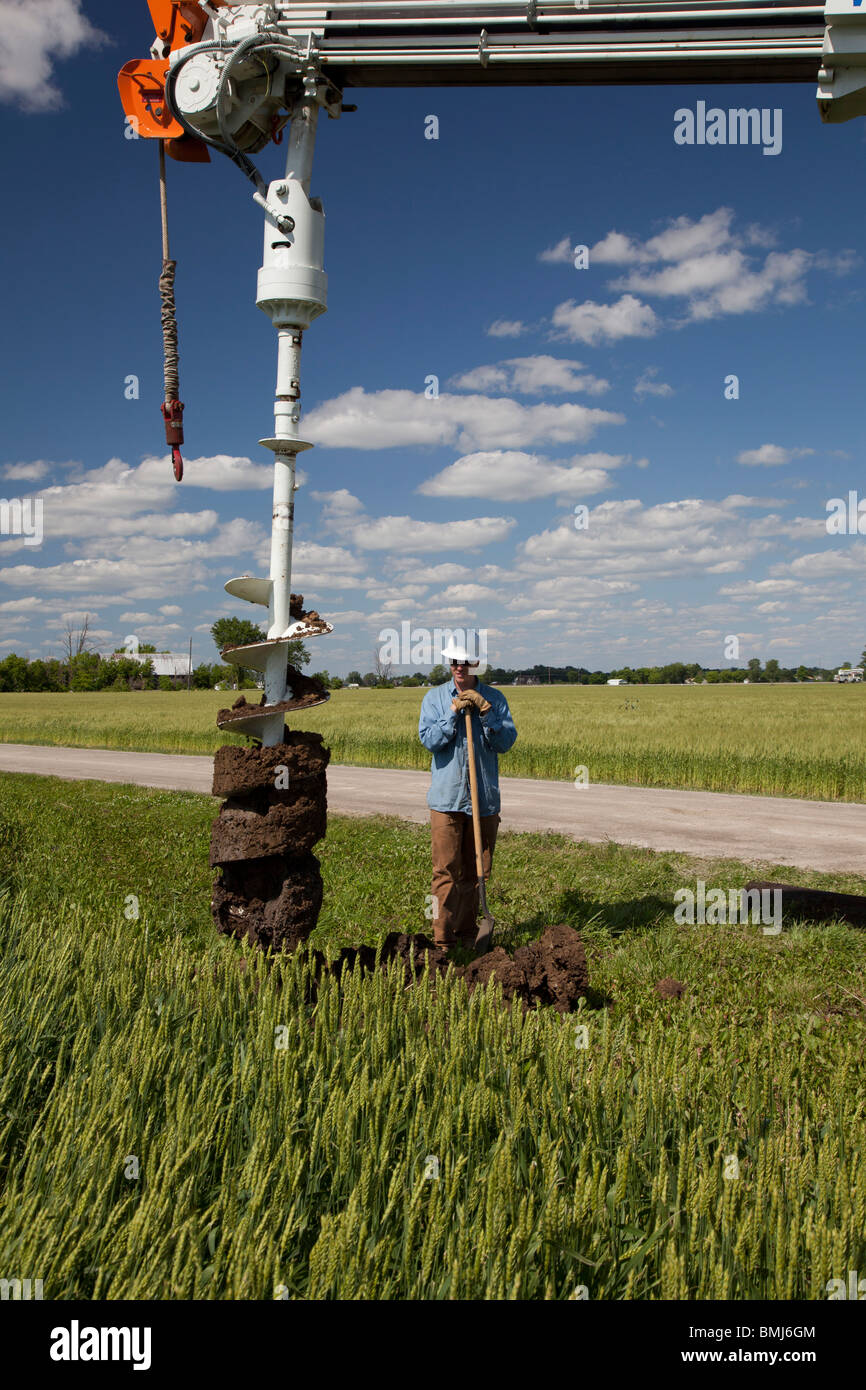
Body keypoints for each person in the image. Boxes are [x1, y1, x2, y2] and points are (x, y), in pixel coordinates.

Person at [418, 635, 517, 952]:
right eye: (454, 661)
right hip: (446, 800)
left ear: (476, 663)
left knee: (476, 873)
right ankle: (442, 939)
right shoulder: (434, 699)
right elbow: (430, 741)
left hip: (483, 801)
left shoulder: (495, 698)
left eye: (466, 662)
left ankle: (466, 932)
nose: (459, 667)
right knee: (444, 872)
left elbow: (505, 743)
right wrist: (453, 714)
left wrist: (487, 713)